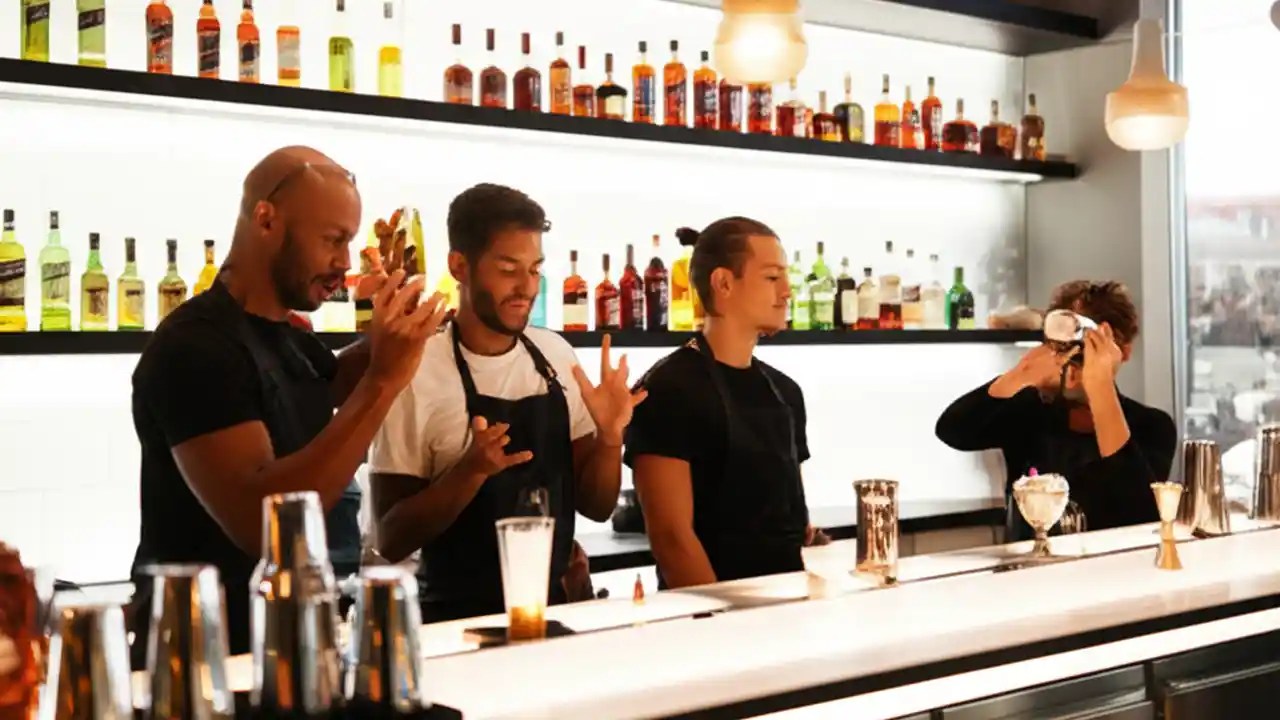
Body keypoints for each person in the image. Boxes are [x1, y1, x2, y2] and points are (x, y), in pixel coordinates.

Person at [129, 146, 447, 663]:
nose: (344, 262)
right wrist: (385, 380)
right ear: (265, 218)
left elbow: (319, 385)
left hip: (289, 640)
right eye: (333, 240)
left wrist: (397, 330)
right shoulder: (194, 348)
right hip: (203, 656)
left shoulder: (288, 338)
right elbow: (262, 523)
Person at [368, 183, 644, 621]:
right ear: (459, 266)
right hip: (455, 623)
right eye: (508, 269)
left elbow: (596, 505)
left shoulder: (555, 357)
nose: (526, 287)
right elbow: (390, 537)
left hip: (552, 614)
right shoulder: (416, 370)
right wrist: (470, 470)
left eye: (535, 269)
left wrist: (611, 439)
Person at [625, 218, 823, 590]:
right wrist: (728, 622)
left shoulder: (786, 392)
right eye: (771, 277)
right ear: (723, 283)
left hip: (789, 609)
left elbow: (790, 518)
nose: (787, 292)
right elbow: (671, 538)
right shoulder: (668, 389)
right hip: (709, 623)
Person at [935, 280, 1177, 540]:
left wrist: (1100, 387)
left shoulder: (1151, 425)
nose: (1075, 359)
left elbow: (1139, 513)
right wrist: (1019, 376)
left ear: (1125, 352)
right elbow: (953, 430)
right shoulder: (1031, 410)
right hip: (1031, 571)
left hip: (1110, 575)